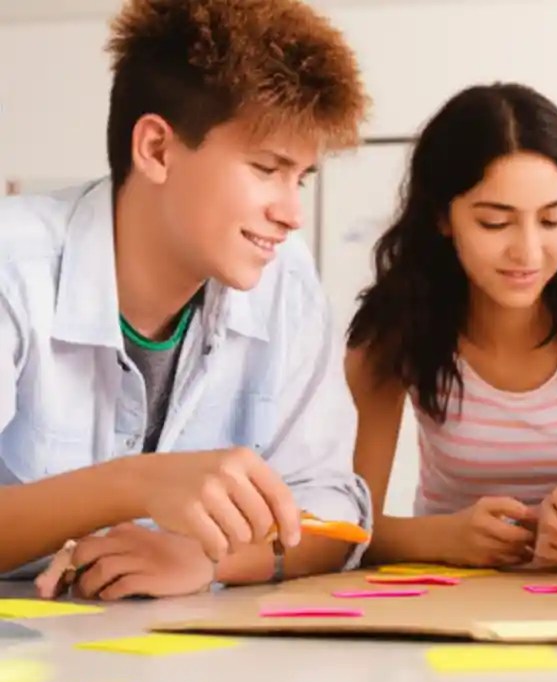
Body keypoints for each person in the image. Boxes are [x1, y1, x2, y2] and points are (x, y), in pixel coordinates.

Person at [0, 0, 373, 599]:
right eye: (266, 168)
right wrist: (135, 484)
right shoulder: (14, 265)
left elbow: (335, 512)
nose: (291, 214)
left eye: (299, 178)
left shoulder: (286, 281)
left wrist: (212, 560)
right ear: (156, 149)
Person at [345, 83, 557, 570]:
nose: (528, 252)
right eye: (495, 224)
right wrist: (444, 539)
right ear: (442, 216)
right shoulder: (396, 323)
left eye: (552, 220)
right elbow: (338, 525)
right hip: (448, 586)